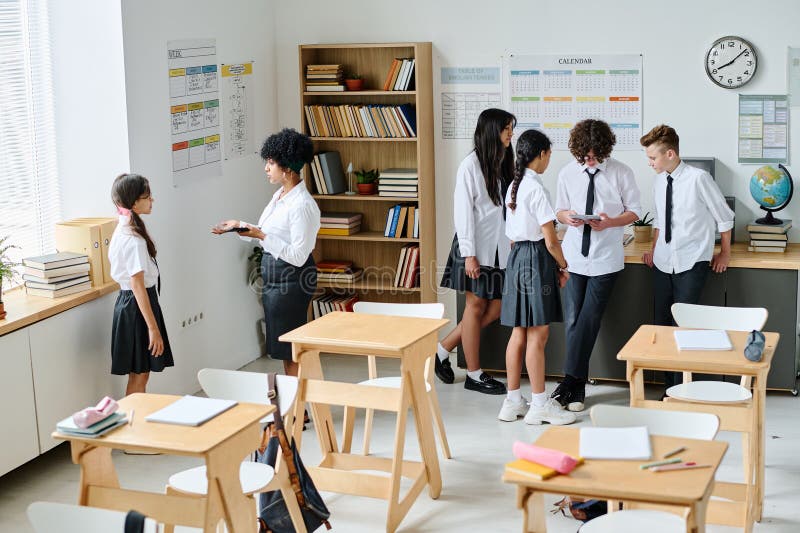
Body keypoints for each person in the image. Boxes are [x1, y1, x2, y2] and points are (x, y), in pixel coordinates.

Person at [213, 128, 320, 377]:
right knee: (284, 348)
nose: (266, 168)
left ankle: (296, 410)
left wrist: (260, 235)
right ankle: (295, 408)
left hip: (292, 280)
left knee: (290, 348)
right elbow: (273, 233)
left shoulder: (301, 205)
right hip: (276, 279)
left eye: (271, 163)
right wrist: (241, 226)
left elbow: (298, 255)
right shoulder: (280, 196)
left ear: (288, 168)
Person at [551, 119, 642, 412]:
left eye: (594, 155)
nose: (589, 161)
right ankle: (576, 387)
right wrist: (569, 218)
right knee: (574, 320)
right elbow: (559, 210)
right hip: (574, 256)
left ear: (604, 150)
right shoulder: (567, 173)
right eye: (584, 156)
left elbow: (635, 212)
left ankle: (570, 382)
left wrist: (610, 223)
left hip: (605, 258)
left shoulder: (621, 173)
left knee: (588, 319)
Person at [640, 124, 734, 389]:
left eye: (653, 158)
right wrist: (654, 248)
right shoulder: (659, 180)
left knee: (684, 327)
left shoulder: (699, 178)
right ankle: (670, 388)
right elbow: (661, 218)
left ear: (670, 154)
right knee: (662, 326)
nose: (650, 163)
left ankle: (684, 387)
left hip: (691, 263)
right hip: (662, 262)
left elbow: (724, 217)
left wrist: (724, 253)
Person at [498, 129, 575, 425]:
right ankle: (540, 404)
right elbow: (551, 239)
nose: (549, 162)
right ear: (541, 154)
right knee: (538, 334)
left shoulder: (514, 186)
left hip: (517, 259)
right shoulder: (537, 188)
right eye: (549, 156)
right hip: (536, 257)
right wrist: (563, 265)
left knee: (519, 331)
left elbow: (514, 236)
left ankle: (513, 401)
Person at [437, 108, 515, 394]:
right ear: (493, 130)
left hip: (499, 249)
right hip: (474, 248)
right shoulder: (470, 165)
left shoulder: (505, 161)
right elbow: (463, 214)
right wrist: (469, 254)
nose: (511, 134)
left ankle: (443, 348)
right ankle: (474, 373)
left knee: (497, 306)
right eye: (507, 128)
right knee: (475, 306)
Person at [109, 173, 174, 395]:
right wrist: (153, 329)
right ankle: (132, 425)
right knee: (139, 374)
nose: (152, 200)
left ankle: (135, 423)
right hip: (137, 306)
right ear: (134, 202)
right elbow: (137, 285)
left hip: (130, 304)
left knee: (140, 373)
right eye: (147, 196)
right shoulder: (132, 238)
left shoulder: (124, 229)